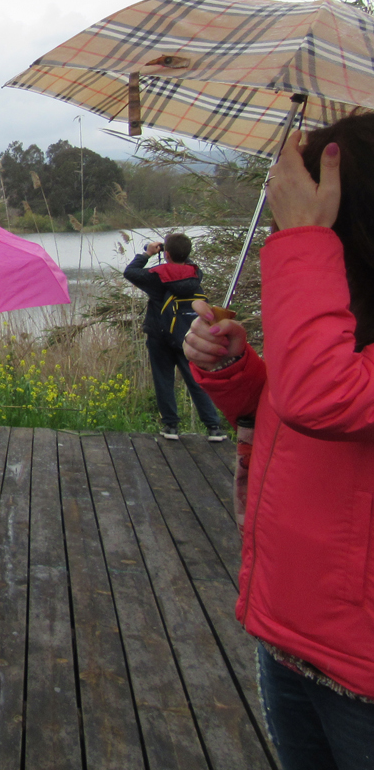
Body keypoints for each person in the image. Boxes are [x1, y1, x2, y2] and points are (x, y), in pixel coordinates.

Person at [184, 121, 374, 768]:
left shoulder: (319, 295)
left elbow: (324, 400)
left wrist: (301, 241)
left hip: (360, 673)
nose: (278, 228)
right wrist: (238, 372)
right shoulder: (335, 322)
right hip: (286, 635)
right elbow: (289, 415)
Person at [123, 233, 228, 440]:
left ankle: (171, 426)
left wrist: (147, 253)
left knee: (163, 379)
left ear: (166, 253)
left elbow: (131, 272)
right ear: (187, 254)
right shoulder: (195, 274)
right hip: (188, 335)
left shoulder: (157, 275)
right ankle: (214, 427)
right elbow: (185, 264)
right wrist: (178, 254)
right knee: (195, 380)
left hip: (159, 336)